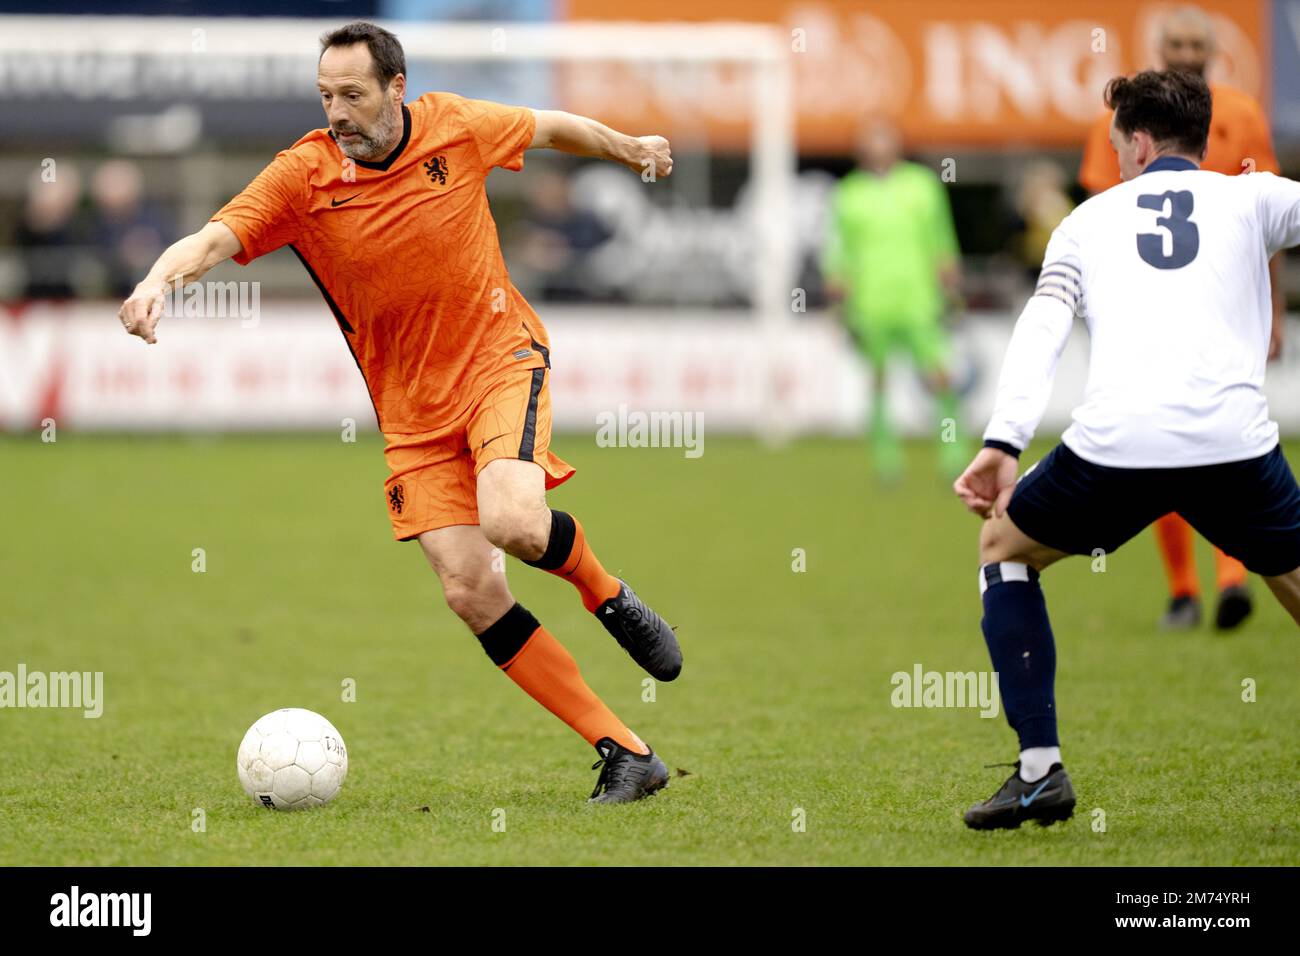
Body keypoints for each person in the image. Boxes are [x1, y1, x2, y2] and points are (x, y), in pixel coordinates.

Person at [116, 21, 681, 804]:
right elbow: (213, 238)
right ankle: (627, 752)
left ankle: (606, 594)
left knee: (512, 522)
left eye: (352, 94)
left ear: (395, 88)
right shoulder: (303, 176)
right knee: (470, 590)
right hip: (410, 414)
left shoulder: (456, 126)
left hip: (497, 362)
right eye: (325, 96)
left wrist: (627, 146)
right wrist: (156, 282)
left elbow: (549, 127)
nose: (338, 111)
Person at [954, 70, 1300, 830]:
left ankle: (1040, 771)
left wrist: (1003, 443)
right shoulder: (1254, 196)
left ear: (1139, 143)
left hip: (1118, 446)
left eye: (1116, 145)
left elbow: (1043, 328)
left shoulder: (1087, 222)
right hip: (1233, 444)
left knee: (1002, 548)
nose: (1114, 160)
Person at [1078, 4, 1284, 631]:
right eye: (1178, 42)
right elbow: (1096, 220)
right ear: (1159, 48)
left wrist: (1273, 312)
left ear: (1212, 51)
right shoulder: (1116, 122)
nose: (1189, 52)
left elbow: (1269, 224)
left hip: (1221, 308)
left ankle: (1228, 576)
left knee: (1219, 431)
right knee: (1159, 441)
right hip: (1147, 312)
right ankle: (1184, 589)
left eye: (1199, 43)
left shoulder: (1241, 115)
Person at [823, 119, 967, 482]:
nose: (878, 148)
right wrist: (838, 292)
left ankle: (954, 452)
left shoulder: (922, 186)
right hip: (870, 302)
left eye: (884, 140)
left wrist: (951, 287)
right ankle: (886, 459)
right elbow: (838, 250)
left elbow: (941, 240)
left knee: (939, 377)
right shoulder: (849, 193)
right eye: (871, 141)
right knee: (878, 380)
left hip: (919, 298)